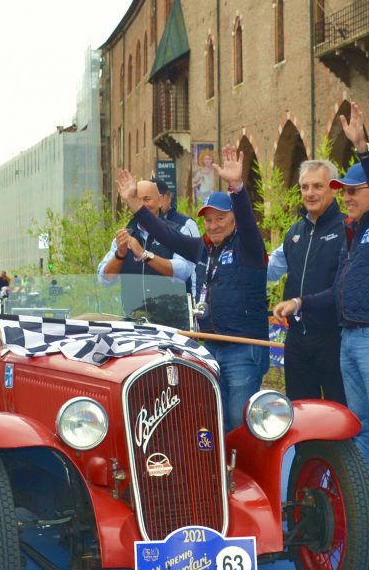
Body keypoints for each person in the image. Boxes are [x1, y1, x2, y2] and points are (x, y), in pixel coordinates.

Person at [273, 102, 369, 540]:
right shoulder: (355, 233)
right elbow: (337, 292)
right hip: (349, 337)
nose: (347, 196)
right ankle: (368, 504)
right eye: (345, 190)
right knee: (362, 425)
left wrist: (364, 150)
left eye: (354, 190)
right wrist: (300, 303)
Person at [115, 146, 268, 433]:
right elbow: (167, 235)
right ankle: (221, 475)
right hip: (210, 347)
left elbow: (248, 223)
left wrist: (236, 187)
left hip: (243, 350)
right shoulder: (204, 248)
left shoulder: (248, 246)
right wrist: (136, 206)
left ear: (234, 218)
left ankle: (244, 478)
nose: (213, 225)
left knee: (239, 424)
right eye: (208, 220)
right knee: (214, 420)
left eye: (220, 218)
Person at [268, 158, 347, 404]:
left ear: (333, 188)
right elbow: (268, 271)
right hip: (298, 339)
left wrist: (299, 302)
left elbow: (343, 289)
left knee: (339, 414)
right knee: (301, 414)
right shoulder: (294, 233)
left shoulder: (348, 228)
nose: (310, 193)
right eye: (304, 187)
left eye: (317, 186)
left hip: (335, 338)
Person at [97, 176, 198, 329]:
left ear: (160, 200)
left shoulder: (178, 230)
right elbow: (104, 279)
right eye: (137, 199)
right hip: (134, 324)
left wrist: (144, 254)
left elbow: (183, 272)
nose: (142, 205)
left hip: (172, 324)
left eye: (147, 199)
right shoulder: (126, 234)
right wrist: (120, 255)